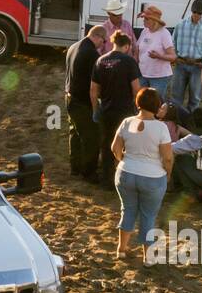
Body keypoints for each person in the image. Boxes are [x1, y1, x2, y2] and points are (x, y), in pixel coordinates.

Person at [111, 87, 172, 262]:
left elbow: (115, 148)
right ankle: (148, 256)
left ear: (138, 102)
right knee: (148, 216)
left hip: (126, 173)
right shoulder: (161, 128)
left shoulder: (127, 122)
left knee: (128, 210)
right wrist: (168, 173)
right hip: (152, 177)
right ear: (156, 105)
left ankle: (121, 249)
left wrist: (123, 160)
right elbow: (167, 157)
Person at [91, 31, 142, 187]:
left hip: (106, 109)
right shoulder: (129, 62)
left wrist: (95, 110)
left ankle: (106, 180)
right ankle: (123, 179)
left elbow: (93, 90)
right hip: (125, 111)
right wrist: (138, 108)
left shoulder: (100, 61)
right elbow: (136, 89)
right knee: (127, 145)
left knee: (107, 144)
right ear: (126, 46)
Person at [65, 26, 106, 182]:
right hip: (82, 101)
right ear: (98, 37)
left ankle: (75, 167)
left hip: (69, 97)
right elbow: (95, 83)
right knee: (91, 137)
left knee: (74, 134)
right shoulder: (91, 53)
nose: (103, 44)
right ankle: (89, 173)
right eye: (103, 41)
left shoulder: (73, 47)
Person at [169, 0, 202, 108]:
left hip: (198, 66)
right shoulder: (180, 25)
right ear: (191, 11)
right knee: (176, 96)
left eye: (199, 13)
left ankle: (190, 121)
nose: (196, 15)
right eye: (194, 12)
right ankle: (175, 119)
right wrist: (175, 58)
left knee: (195, 98)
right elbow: (172, 43)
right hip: (181, 64)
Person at [136, 5, 175, 96]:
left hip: (159, 77)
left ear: (154, 21)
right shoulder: (145, 31)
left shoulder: (164, 34)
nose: (143, 20)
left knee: (155, 104)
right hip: (142, 74)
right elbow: (138, 47)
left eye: (146, 19)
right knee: (141, 102)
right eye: (143, 18)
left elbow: (173, 57)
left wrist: (159, 56)